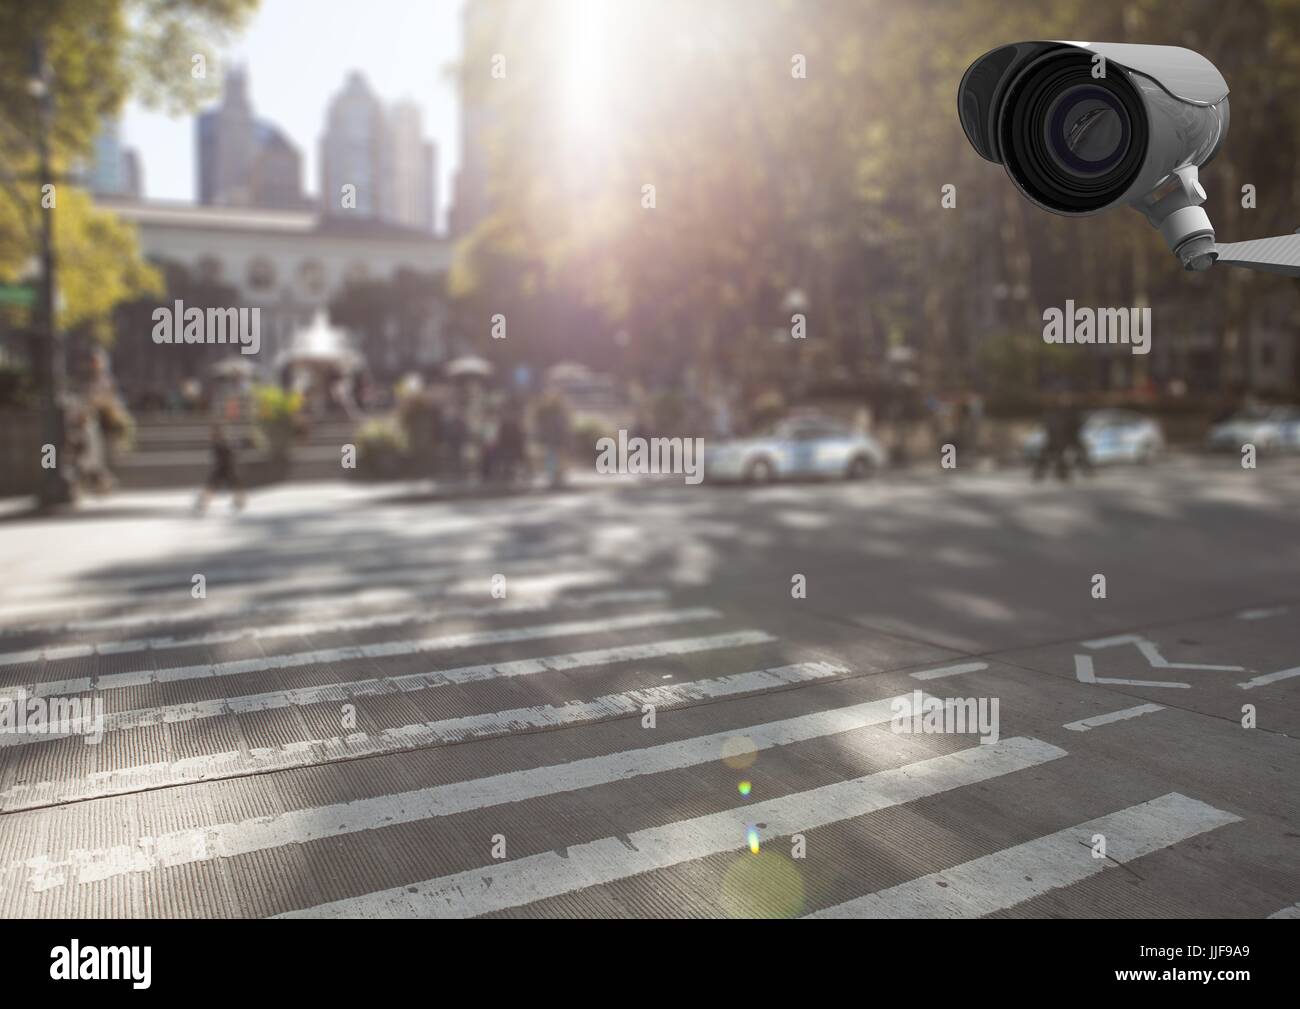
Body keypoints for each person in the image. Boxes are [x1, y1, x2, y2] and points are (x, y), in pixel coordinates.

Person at [195, 422, 246, 514]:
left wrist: (233, 451)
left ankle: (239, 501)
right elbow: (229, 453)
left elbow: (227, 453)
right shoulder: (220, 442)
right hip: (224, 467)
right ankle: (239, 501)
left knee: (217, 484)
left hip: (224, 467)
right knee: (229, 484)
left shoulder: (219, 442)